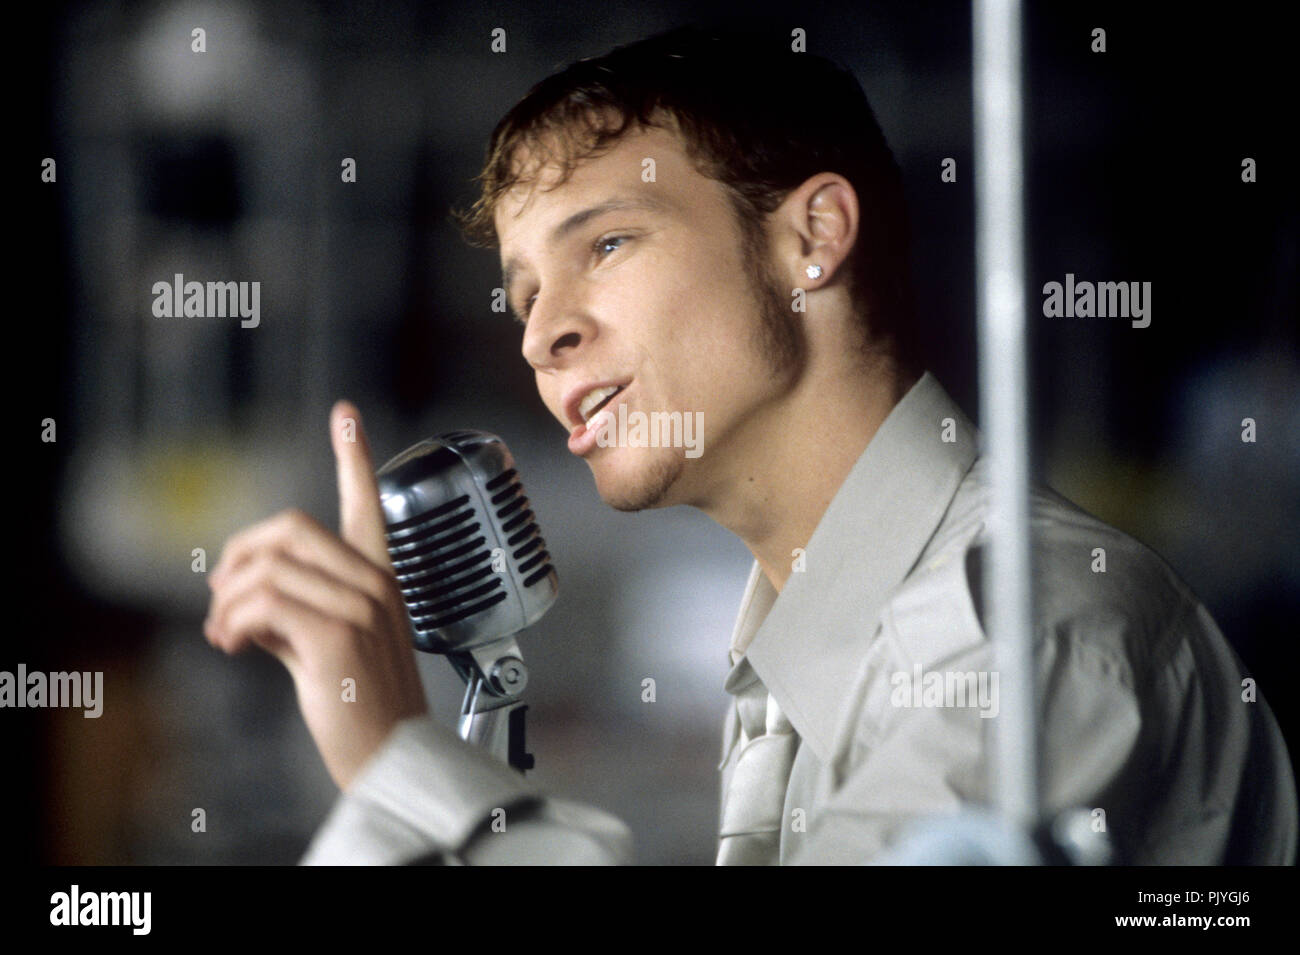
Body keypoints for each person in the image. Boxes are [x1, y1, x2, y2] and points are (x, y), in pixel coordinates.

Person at [202, 26, 1297, 865]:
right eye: (523, 296)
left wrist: (408, 767)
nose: (543, 334)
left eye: (610, 244)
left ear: (809, 239)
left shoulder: (1025, 631)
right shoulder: (798, 658)